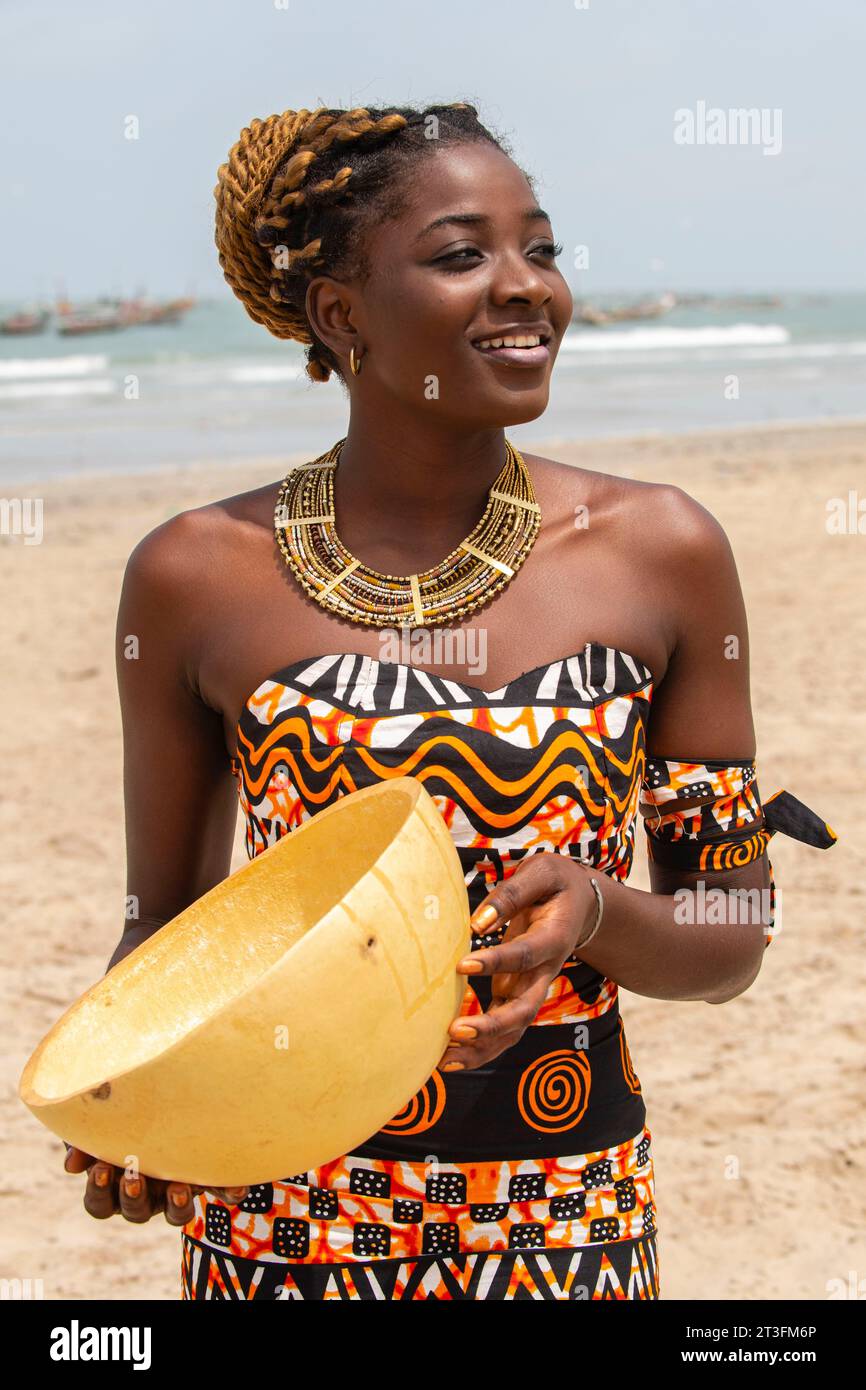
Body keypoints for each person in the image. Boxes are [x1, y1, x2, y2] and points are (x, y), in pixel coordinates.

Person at [63, 102, 836, 1301]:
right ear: (339, 313)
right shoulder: (192, 575)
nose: (525, 286)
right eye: (461, 253)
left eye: (541, 248)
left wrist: (590, 909)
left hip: (562, 1215)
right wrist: (131, 1100)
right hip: (282, 1214)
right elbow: (162, 931)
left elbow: (729, 932)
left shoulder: (659, 551)